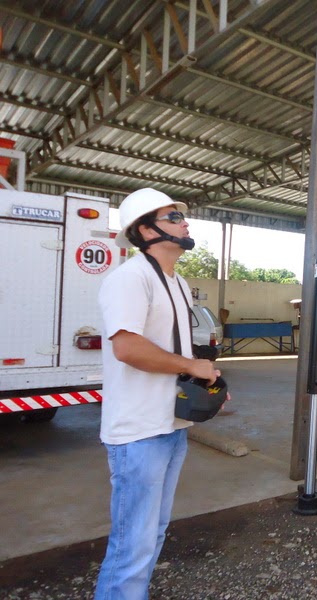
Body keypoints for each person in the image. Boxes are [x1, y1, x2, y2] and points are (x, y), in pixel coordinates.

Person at [94, 188, 222, 599]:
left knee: (152, 534)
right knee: (133, 543)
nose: (185, 223)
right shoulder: (130, 278)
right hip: (138, 432)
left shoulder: (178, 282)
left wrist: (204, 377)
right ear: (146, 230)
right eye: (174, 217)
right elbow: (128, 348)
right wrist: (190, 365)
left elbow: (174, 350)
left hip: (170, 424)